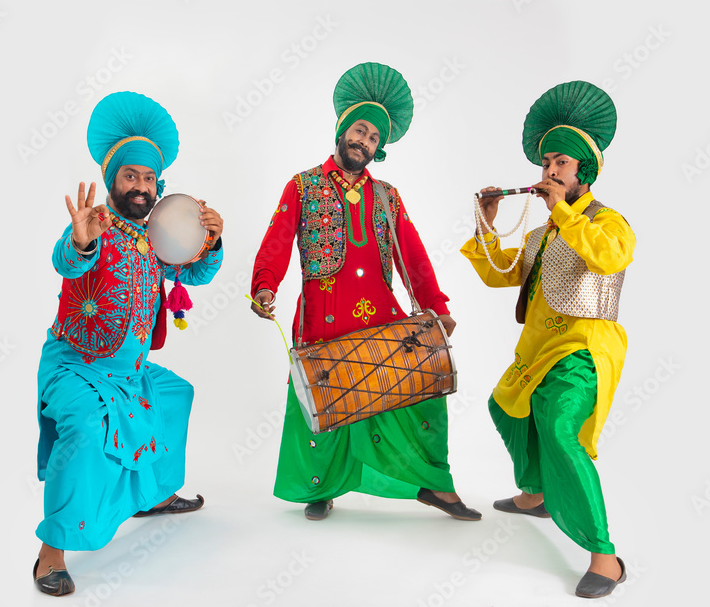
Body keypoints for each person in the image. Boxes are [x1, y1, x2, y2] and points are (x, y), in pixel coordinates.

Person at [250, 62, 480, 522]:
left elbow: (412, 257)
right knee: (322, 394)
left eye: (375, 138)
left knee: (422, 389)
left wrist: (435, 307)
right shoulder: (302, 186)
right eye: (360, 130)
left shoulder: (389, 196)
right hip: (322, 314)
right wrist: (264, 285)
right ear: (342, 130)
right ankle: (322, 486)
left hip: (381, 315)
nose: (365, 142)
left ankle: (434, 485)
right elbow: (277, 238)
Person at [33, 91, 224, 596]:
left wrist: (213, 239)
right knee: (88, 429)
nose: (140, 186)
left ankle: (153, 496)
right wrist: (79, 240)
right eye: (130, 176)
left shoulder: (156, 234)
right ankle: (52, 552)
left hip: (129, 371)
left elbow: (197, 271)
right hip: (76, 366)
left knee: (174, 393)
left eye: (148, 178)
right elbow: (67, 260)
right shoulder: (93, 226)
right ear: (113, 180)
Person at [461, 81, 635, 598]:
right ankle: (536, 493)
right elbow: (500, 275)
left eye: (560, 163)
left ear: (584, 169)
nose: (550, 173)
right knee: (503, 407)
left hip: (583, 353)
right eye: (545, 165)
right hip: (536, 353)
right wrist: (486, 225)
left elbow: (609, 258)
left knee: (561, 429)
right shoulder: (540, 235)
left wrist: (564, 210)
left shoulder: (609, 223)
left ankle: (605, 556)